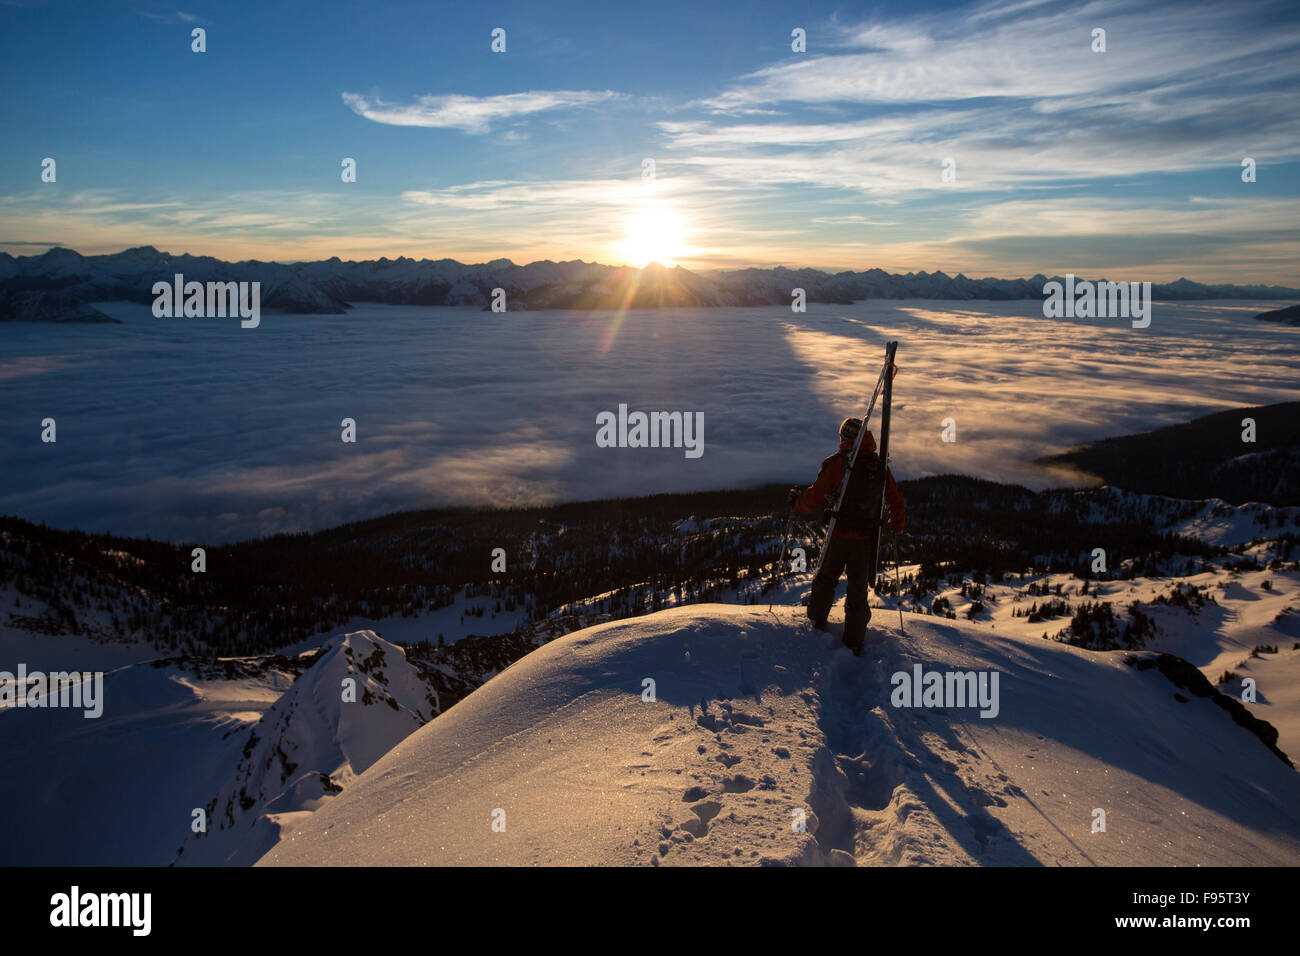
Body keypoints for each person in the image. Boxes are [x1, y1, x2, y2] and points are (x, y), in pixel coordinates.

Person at [788, 417, 905, 655]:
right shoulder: (879, 466)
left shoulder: (839, 463)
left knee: (825, 581)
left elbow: (815, 496)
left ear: (845, 437)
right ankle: (854, 641)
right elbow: (896, 499)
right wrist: (896, 526)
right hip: (866, 540)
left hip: (839, 535)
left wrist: (796, 502)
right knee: (857, 591)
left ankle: (815, 628)